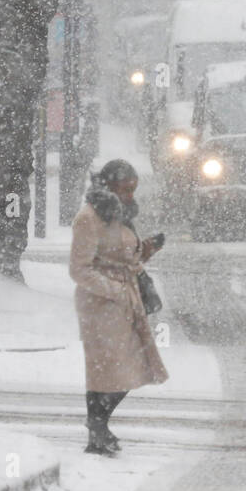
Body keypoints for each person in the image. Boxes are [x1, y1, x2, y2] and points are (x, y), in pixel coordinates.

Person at [69, 159, 169, 456]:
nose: (130, 195)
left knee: (124, 367)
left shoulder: (119, 215)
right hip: (100, 303)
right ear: (109, 186)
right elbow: (79, 269)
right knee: (111, 368)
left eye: (133, 190)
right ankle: (97, 428)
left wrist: (146, 249)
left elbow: (123, 255)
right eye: (126, 189)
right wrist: (115, 291)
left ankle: (98, 427)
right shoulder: (88, 218)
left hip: (123, 299)